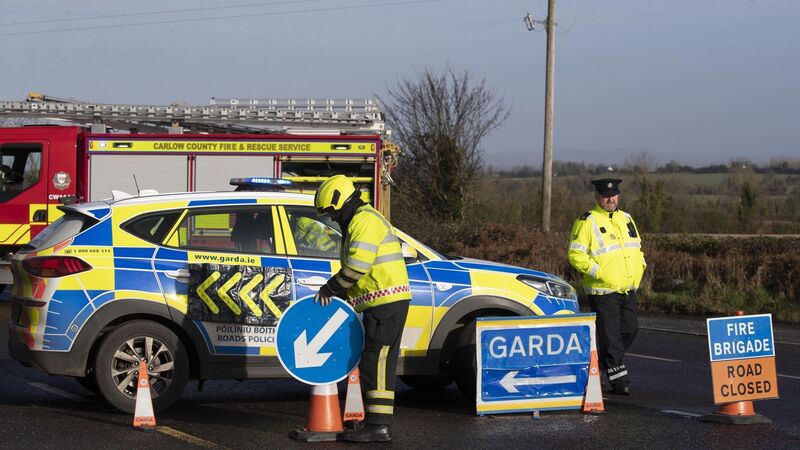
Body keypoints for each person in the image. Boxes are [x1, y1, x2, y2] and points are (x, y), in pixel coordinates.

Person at [313, 175, 411, 443]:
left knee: (375, 364)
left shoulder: (364, 221)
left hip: (385, 304)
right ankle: (376, 423)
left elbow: (357, 266)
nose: (333, 219)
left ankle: (378, 426)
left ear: (341, 203)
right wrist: (346, 294)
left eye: (332, 213)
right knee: (377, 363)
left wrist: (331, 289)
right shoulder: (362, 219)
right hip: (382, 303)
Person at [568, 178, 646, 395]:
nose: (610, 199)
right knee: (611, 339)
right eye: (605, 196)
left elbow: (637, 248)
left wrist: (641, 266)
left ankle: (597, 366)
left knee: (630, 330)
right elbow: (575, 255)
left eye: (613, 195)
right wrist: (599, 272)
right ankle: (620, 382)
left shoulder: (626, 218)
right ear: (597, 197)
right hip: (602, 291)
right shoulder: (587, 221)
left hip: (627, 288)